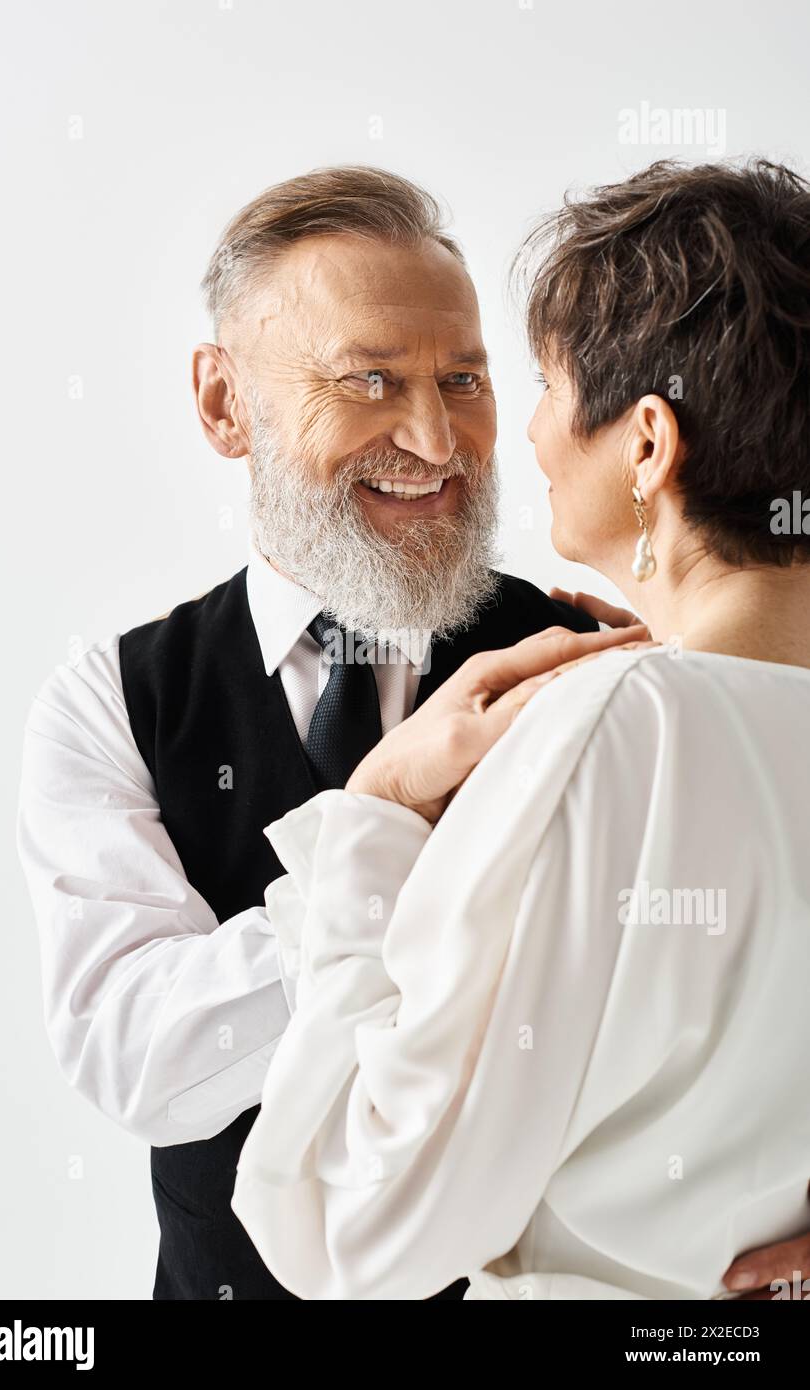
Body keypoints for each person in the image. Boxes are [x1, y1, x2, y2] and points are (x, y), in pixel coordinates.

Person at [16, 166, 612, 1301]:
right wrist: (375, 828)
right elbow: (136, 1055)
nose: (437, 440)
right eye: (371, 379)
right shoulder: (114, 701)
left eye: (465, 378)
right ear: (223, 404)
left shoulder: (584, 660)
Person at [230, 158, 810, 1300]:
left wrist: (376, 815)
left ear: (647, 444)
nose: (514, 438)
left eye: (530, 382)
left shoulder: (606, 727)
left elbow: (360, 1233)